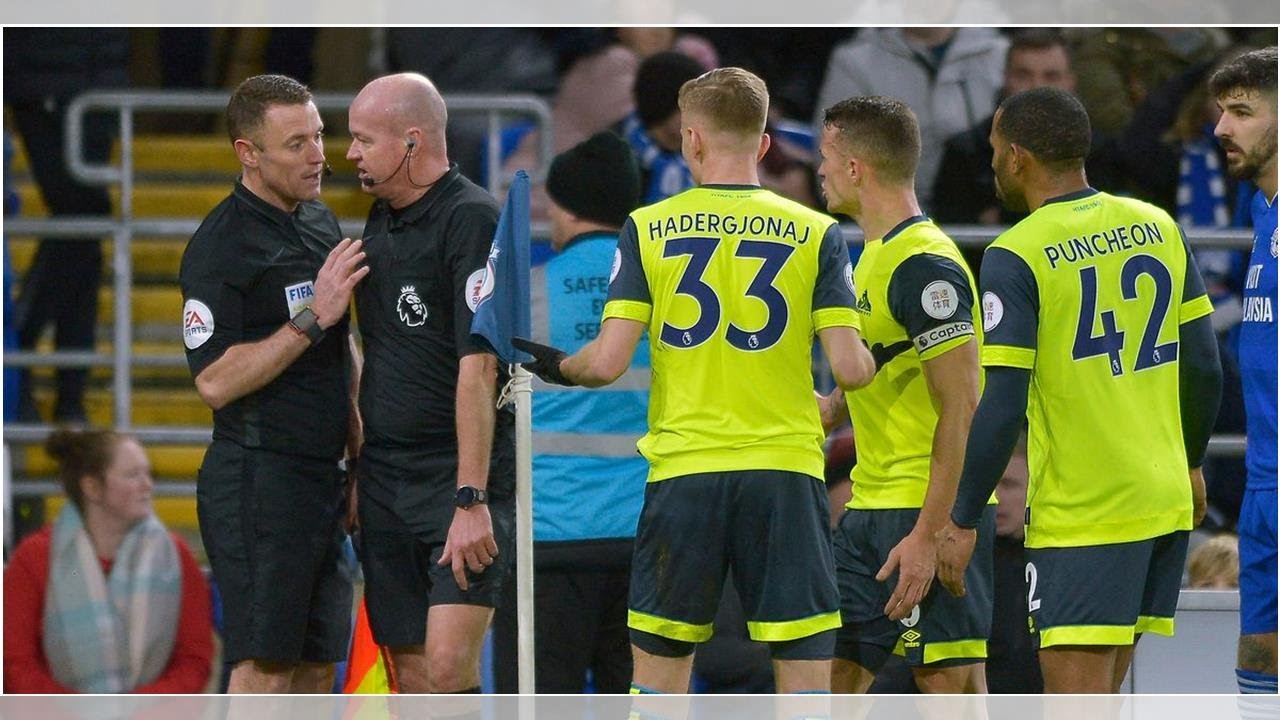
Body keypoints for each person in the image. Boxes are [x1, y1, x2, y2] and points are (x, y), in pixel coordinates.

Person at [515, 67, 877, 694]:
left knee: (659, 679)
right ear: (765, 144)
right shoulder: (817, 232)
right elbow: (849, 369)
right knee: (804, 679)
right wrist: (851, 387)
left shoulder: (649, 228)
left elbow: (603, 364)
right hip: (784, 473)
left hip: (686, 475)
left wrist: (552, 364)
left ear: (691, 141)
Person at [935, 86, 1223, 693]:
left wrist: (962, 519)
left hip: (1087, 513)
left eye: (994, 150)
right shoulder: (1156, 224)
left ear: (1018, 157)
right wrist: (1192, 464)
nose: (990, 164)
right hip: (1162, 499)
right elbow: (1202, 365)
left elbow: (1003, 399)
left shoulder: (1017, 253)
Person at [180, 74, 365, 693]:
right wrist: (313, 316)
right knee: (266, 668)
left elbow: (346, 348)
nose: (318, 155)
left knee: (317, 667)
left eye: (317, 136)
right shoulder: (220, 247)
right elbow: (214, 380)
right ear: (247, 152)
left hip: (324, 477)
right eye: (295, 144)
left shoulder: (318, 220)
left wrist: (360, 461)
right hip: (259, 479)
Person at [814, 96, 990, 694]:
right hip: (868, 507)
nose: (820, 171)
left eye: (826, 157)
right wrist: (830, 408)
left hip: (921, 508)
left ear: (857, 167)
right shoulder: (872, 258)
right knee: (830, 682)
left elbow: (963, 406)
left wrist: (930, 531)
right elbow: (888, 359)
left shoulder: (926, 266)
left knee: (949, 688)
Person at [345, 72, 514, 694]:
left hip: (454, 479)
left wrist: (471, 499)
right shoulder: (380, 221)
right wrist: (362, 468)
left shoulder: (470, 219)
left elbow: (480, 363)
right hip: (386, 477)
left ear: (411, 142)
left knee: (447, 666)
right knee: (411, 675)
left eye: (363, 140)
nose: (349, 154)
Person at [528, 131, 646, 692]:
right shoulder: (669, 293)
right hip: (646, 534)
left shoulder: (526, 293)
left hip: (552, 532)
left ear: (565, 206)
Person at [3, 429, 213, 692]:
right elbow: (16, 663)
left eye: (148, 474)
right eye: (132, 475)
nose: (147, 485)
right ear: (92, 486)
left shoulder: (176, 555)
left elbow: (195, 660)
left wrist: (138, 711)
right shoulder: (34, 559)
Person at [4, 29, 130, 422]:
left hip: (99, 75)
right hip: (44, 74)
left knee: (84, 235)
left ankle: (66, 393)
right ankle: (21, 355)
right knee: (84, 220)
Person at [1209, 45, 1277, 697]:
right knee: (1258, 668)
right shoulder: (1262, 210)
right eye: (1220, 112)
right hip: (1263, 484)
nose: (1221, 128)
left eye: (1242, 112)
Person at [813, 28, 1008, 212]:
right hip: (887, 224)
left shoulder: (1000, 54)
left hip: (983, 219)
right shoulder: (854, 61)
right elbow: (835, 160)